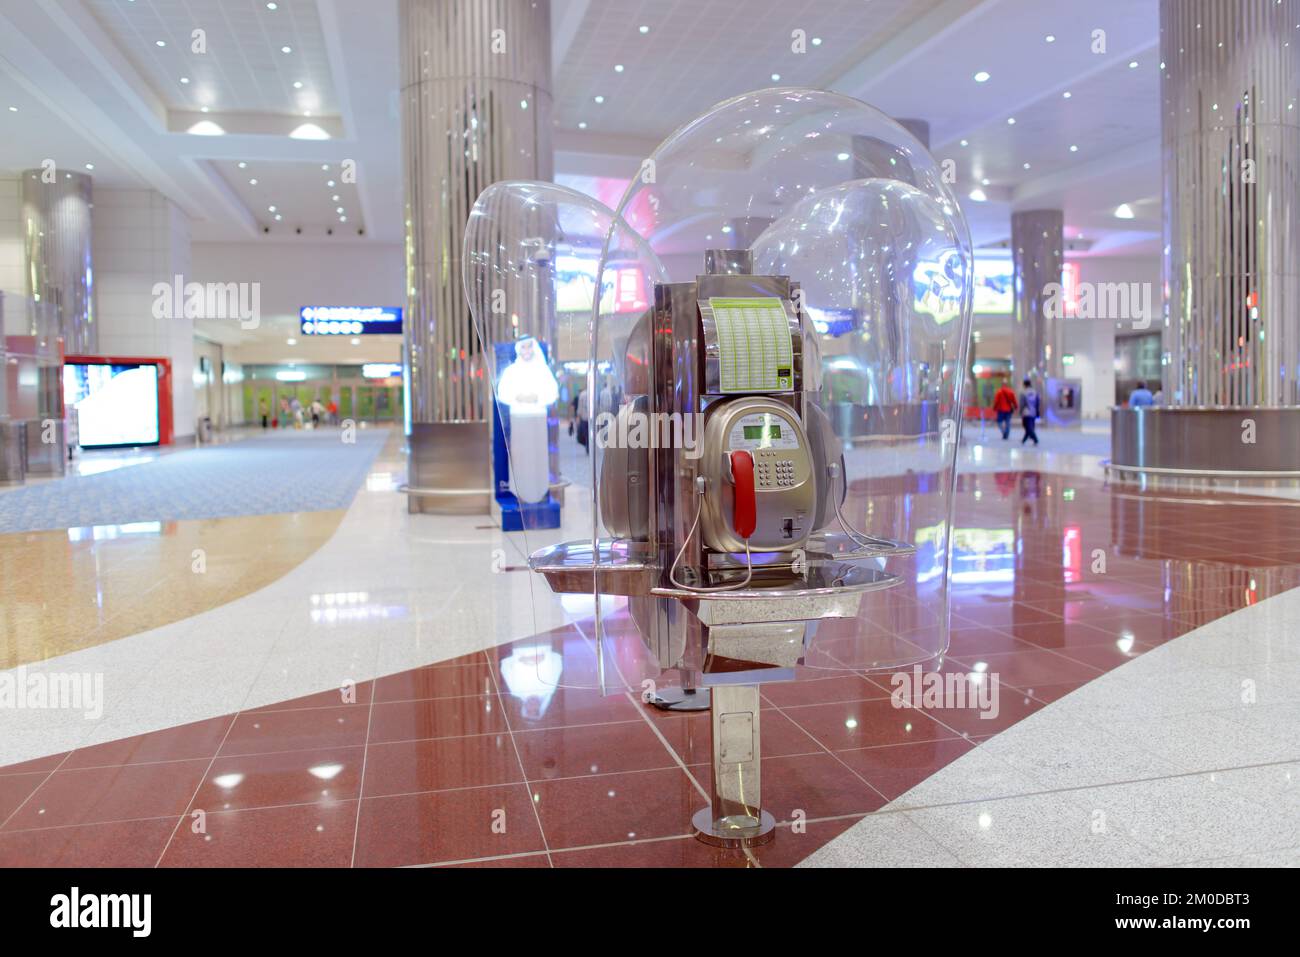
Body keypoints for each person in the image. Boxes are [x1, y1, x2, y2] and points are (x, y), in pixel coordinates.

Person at [1019, 378, 1040, 445]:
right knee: (1030, 426)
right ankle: (1024, 440)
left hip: (1026, 412)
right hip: (1033, 411)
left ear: (1024, 385)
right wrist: (1037, 410)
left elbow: (1022, 403)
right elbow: (1037, 402)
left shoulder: (1023, 393)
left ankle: (1034, 438)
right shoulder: (1035, 392)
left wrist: (1021, 411)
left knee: (1027, 427)